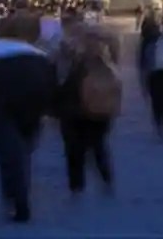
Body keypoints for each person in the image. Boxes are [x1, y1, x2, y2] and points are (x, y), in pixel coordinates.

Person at [0, 13, 56, 223]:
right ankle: (19, 196)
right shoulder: (41, 59)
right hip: (31, 113)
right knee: (23, 155)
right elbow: (51, 88)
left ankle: (16, 198)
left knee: (9, 157)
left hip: (2, 114)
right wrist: (49, 111)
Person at [55, 19, 119, 195]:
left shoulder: (69, 59)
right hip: (97, 112)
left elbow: (60, 83)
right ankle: (105, 179)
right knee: (98, 147)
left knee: (75, 150)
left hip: (74, 111)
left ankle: (77, 185)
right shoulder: (105, 57)